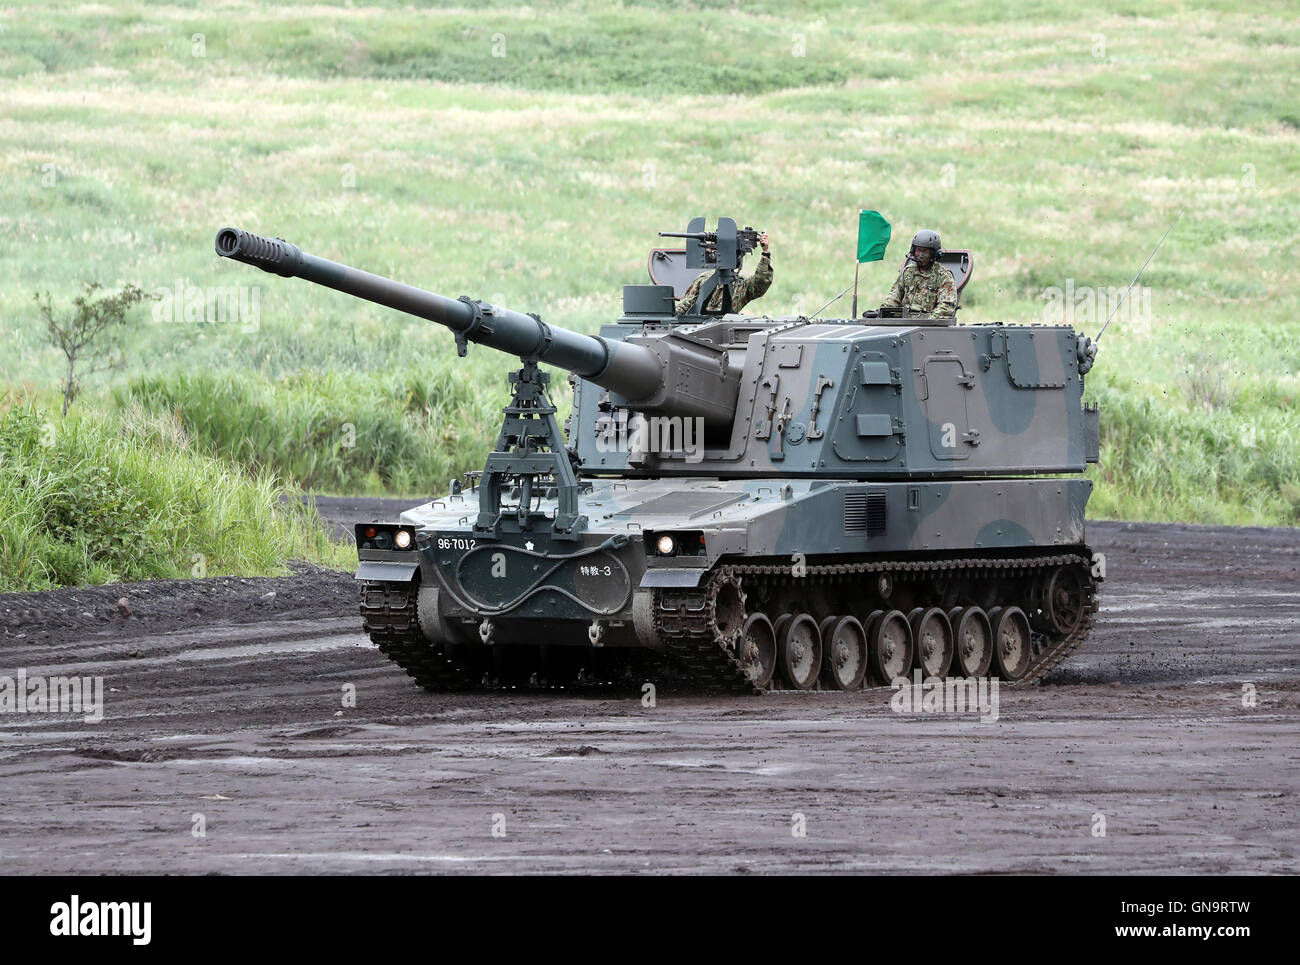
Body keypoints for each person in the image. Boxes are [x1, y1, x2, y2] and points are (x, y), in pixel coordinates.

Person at [675, 232, 772, 316]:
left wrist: (765, 253)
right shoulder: (704, 279)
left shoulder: (742, 286)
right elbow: (686, 304)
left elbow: (761, 282)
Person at [879, 229, 957, 318]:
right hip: (904, 320)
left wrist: (928, 322)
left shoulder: (943, 276)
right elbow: (894, 296)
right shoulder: (908, 272)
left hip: (928, 324)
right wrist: (883, 311)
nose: (920, 255)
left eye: (925, 251)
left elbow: (946, 307)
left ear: (933, 254)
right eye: (918, 250)